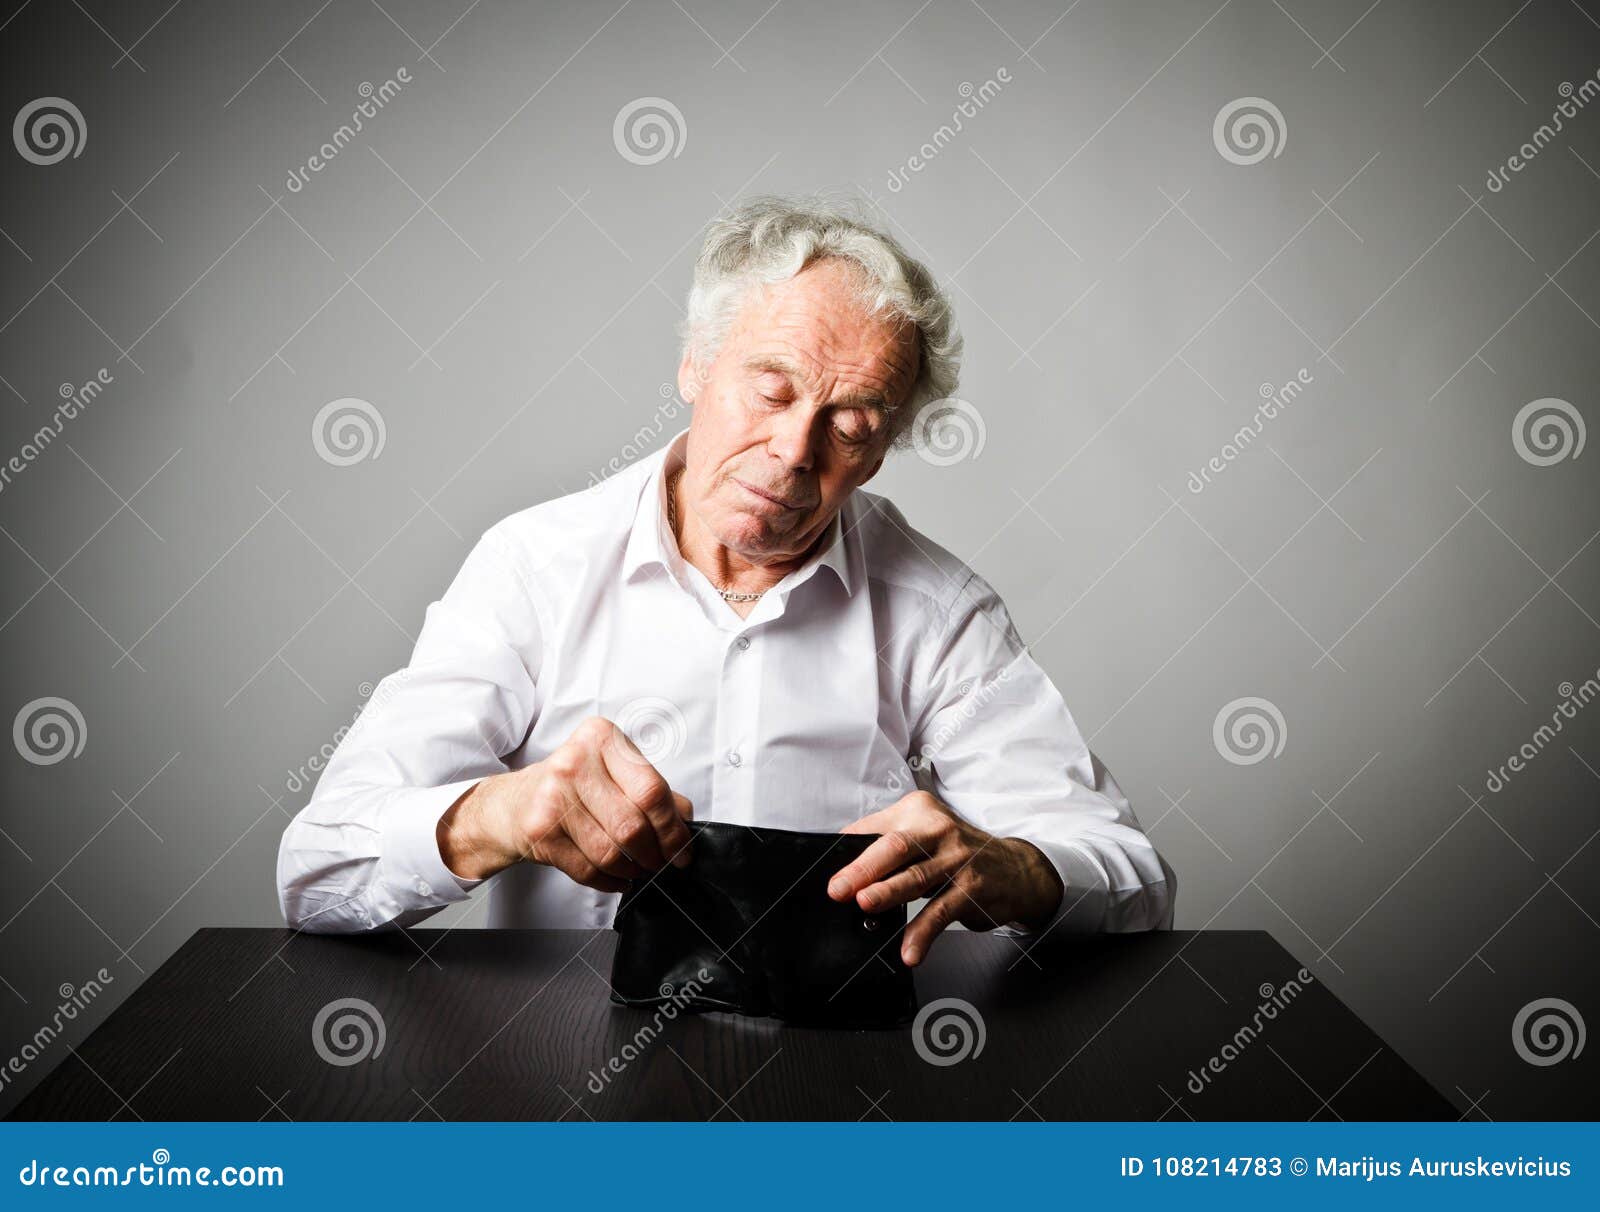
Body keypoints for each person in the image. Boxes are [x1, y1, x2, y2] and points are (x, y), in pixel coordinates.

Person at [276, 195, 1173, 966]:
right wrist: (491, 818)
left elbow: (1132, 879)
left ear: (886, 448)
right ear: (696, 365)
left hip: (841, 1086)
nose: (793, 452)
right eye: (771, 391)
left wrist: (1014, 868)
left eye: (851, 425)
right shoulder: (534, 566)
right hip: (566, 1077)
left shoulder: (939, 611)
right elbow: (317, 873)